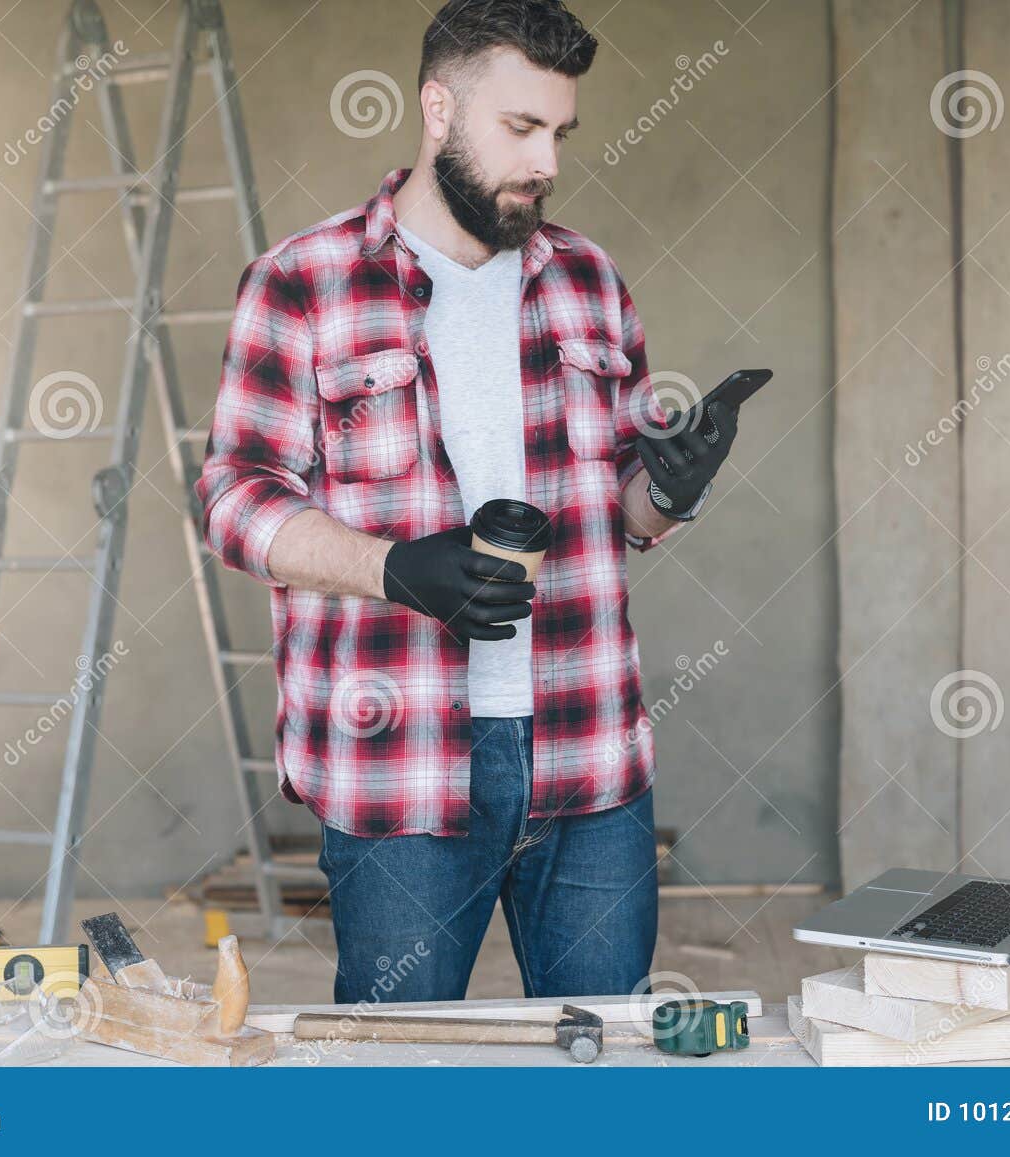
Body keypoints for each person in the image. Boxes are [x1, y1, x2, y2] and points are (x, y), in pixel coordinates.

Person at [196, 0, 742, 1003]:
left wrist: (671, 484)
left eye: (560, 132)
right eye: (520, 129)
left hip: (586, 749)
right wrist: (393, 568)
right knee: (402, 1078)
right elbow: (233, 501)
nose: (547, 162)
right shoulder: (303, 282)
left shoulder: (588, 282)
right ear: (437, 109)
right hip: (398, 761)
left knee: (603, 1058)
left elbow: (625, 518)